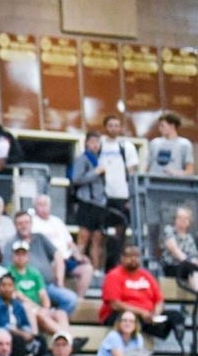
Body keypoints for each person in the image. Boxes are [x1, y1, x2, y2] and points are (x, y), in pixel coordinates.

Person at [100, 246, 184, 341]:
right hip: (122, 315)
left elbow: (159, 301)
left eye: (136, 256)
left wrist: (156, 313)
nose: (133, 259)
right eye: (129, 256)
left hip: (148, 315)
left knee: (176, 316)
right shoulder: (114, 275)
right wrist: (141, 312)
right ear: (122, 258)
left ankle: (183, 348)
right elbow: (115, 304)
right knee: (129, 317)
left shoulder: (147, 275)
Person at [5, 212, 79, 317]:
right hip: (26, 287)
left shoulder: (40, 238)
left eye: (26, 222)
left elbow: (58, 255)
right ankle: (46, 321)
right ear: (15, 226)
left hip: (48, 285)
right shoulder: (11, 243)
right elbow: (8, 271)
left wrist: (60, 279)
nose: (24, 225)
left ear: (31, 224)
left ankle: (52, 320)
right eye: (20, 223)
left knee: (71, 299)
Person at [31, 195, 94, 301]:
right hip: (48, 260)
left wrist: (78, 256)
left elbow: (70, 242)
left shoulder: (57, 221)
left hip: (67, 258)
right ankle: (62, 297)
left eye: (45, 204)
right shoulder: (33, 222)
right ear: (35, 207)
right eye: (40, 204)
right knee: (58, 263)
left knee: (87, 268)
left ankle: (79, 300)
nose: (43, 207)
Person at [7, 240, 70, 338]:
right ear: (13, 256)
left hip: (38, 307)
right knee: (41, 315)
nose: (20, 257)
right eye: (17, 254)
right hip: (24, 309)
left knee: (61, 313)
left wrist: (45, 307)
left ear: (28, 256)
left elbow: (43, 293)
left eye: (23, 254)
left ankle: (65, 337)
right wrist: (39, 308)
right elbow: (20, 296)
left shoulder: (34, 272)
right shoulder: (9, 273)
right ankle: (66, 338)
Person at [99, 116, 137, 270]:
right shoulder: (100, 145)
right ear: (105, 127)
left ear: (120, 128)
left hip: (121, 196)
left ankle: (116, 267)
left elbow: (132, 172)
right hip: (103, 197)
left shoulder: (126, 146)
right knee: (101, 235)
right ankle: (101, 269)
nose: (113, 128)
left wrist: (130, 197)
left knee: (119, 236)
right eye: (110, 125)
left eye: (116, 125)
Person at [71, 132, 110, 271]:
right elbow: (76, 179)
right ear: (86, 143)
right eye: (92, 142)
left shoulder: (101, 159)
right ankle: (78, 268)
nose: (95, 145)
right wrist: (96, 172)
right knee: (84, 237)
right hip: (86, 202)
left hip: (100, 203)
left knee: (98, 239)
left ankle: (97, 271)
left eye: (98, 142)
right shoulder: (82, 159)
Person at [0, 275, 38, 356]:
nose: (7, 288)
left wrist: (28, 333)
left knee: (40, 340)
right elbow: (2, 325)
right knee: (18, 340)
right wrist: (22, 334)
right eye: (4, 285)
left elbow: (25, 323)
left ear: (14, 288)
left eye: (10, 285)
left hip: (17, 332)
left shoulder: (17, 304)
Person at [158, 207, 198, 292]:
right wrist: (189, 262)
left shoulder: (189, 238)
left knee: (193, 269)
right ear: (175, 219)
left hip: (187, 269)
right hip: (172, 267)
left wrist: (193, 262)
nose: (182, 220)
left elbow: (194, 256)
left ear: (189, 221)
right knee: (193, 269)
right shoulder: (169, 230)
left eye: (185, 218)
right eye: (180, 217)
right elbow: (174, 250)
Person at [146, 112, 194, 176]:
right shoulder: (154, 143)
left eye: (162, 125)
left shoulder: (184, 144)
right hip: (153, 183)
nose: (159, 129)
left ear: (172, 126)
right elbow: (147, 168)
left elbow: (190, 171)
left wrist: (177, 173)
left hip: (175, 183)